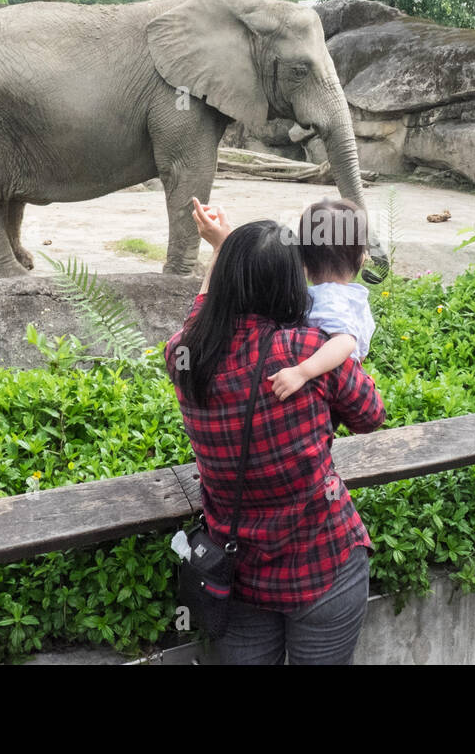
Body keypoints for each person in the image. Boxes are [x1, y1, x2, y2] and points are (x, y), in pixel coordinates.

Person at [165, 197, 385, 664]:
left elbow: (203, 309)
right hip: (323, 562)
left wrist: (222, 250)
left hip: (237, 572)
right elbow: (369, 414)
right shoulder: (309, 349)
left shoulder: (187, 355)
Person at [269, 198, 376, 401]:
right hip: (345, 382)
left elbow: (345, 342)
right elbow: (361, 353)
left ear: (303, 259)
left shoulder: (328, 298)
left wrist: (302, 372)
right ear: (361, 259)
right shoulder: (355, 298)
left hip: (321, 383)